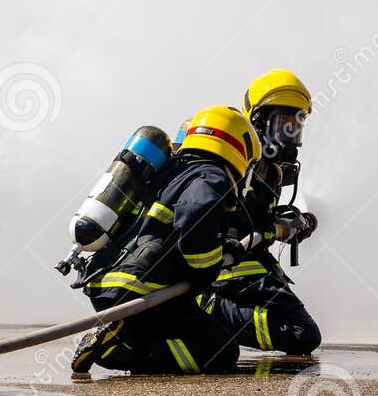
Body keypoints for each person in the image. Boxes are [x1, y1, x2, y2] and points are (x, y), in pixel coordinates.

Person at [72, 105, 256, 374]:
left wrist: (222, 248)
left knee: (203, 333)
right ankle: (118, 348)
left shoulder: (172, 171)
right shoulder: (211, 175)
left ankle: (126, 332)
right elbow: (197, 217)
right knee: (220, 350)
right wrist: (209, 268)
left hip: (110, 282)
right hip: (142, 290)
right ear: (239, 147)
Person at [199, 70, 322, 356]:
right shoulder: (241, 162)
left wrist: (293, 223)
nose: (290, 135)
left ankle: (208, 312)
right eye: (284, 125)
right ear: (258, 121)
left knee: (303, 334)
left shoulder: (269, 167)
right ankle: (204, 305)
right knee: (302, 334)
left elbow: (254, 216)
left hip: (248, 267)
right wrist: (276, 227)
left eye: (296, 126)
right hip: (226, 272)